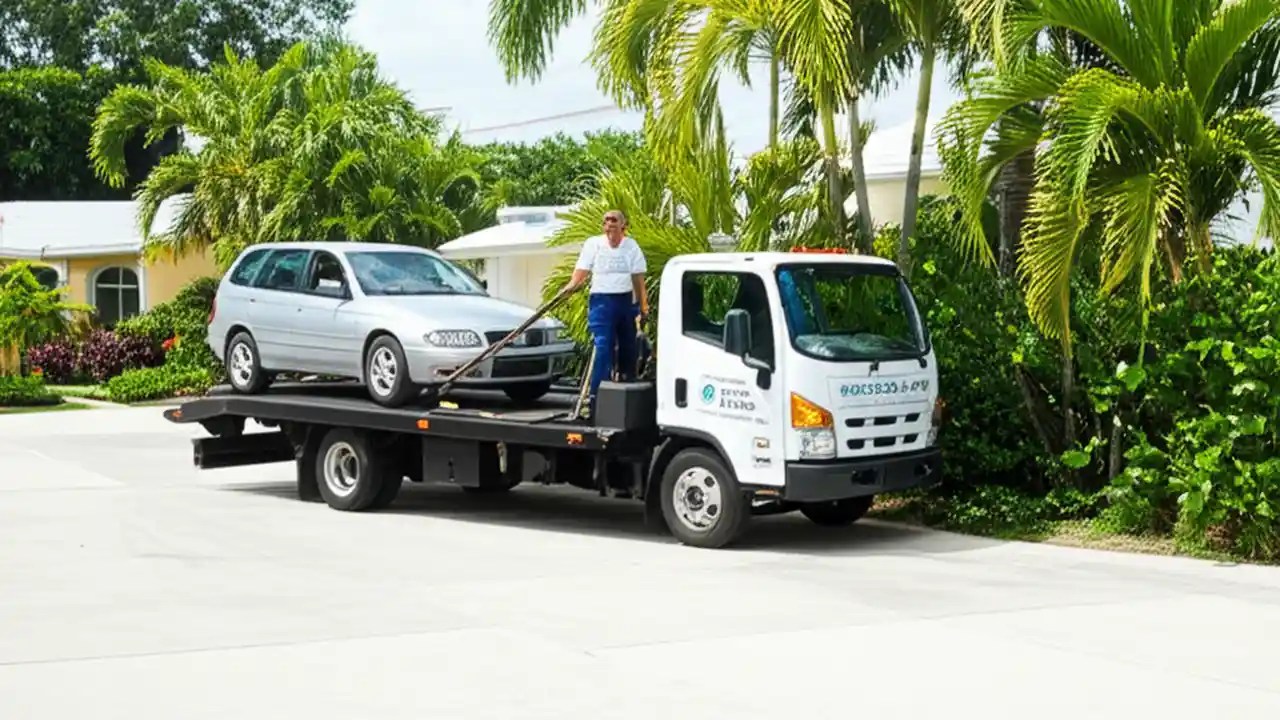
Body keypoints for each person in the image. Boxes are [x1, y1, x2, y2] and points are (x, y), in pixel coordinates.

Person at [565, 209, 649, 412]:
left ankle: (627, 391)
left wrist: (643, 307)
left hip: (625, 302)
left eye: (613, 220)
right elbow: (581, 272)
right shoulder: (593, 244)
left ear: (623, 225)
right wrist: (570, 287)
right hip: (602, 302)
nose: (609, 223)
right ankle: (596, 399)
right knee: (603, 347)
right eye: (606, 221)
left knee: (629, 347)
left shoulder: (631, 247)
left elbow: (638, 279)